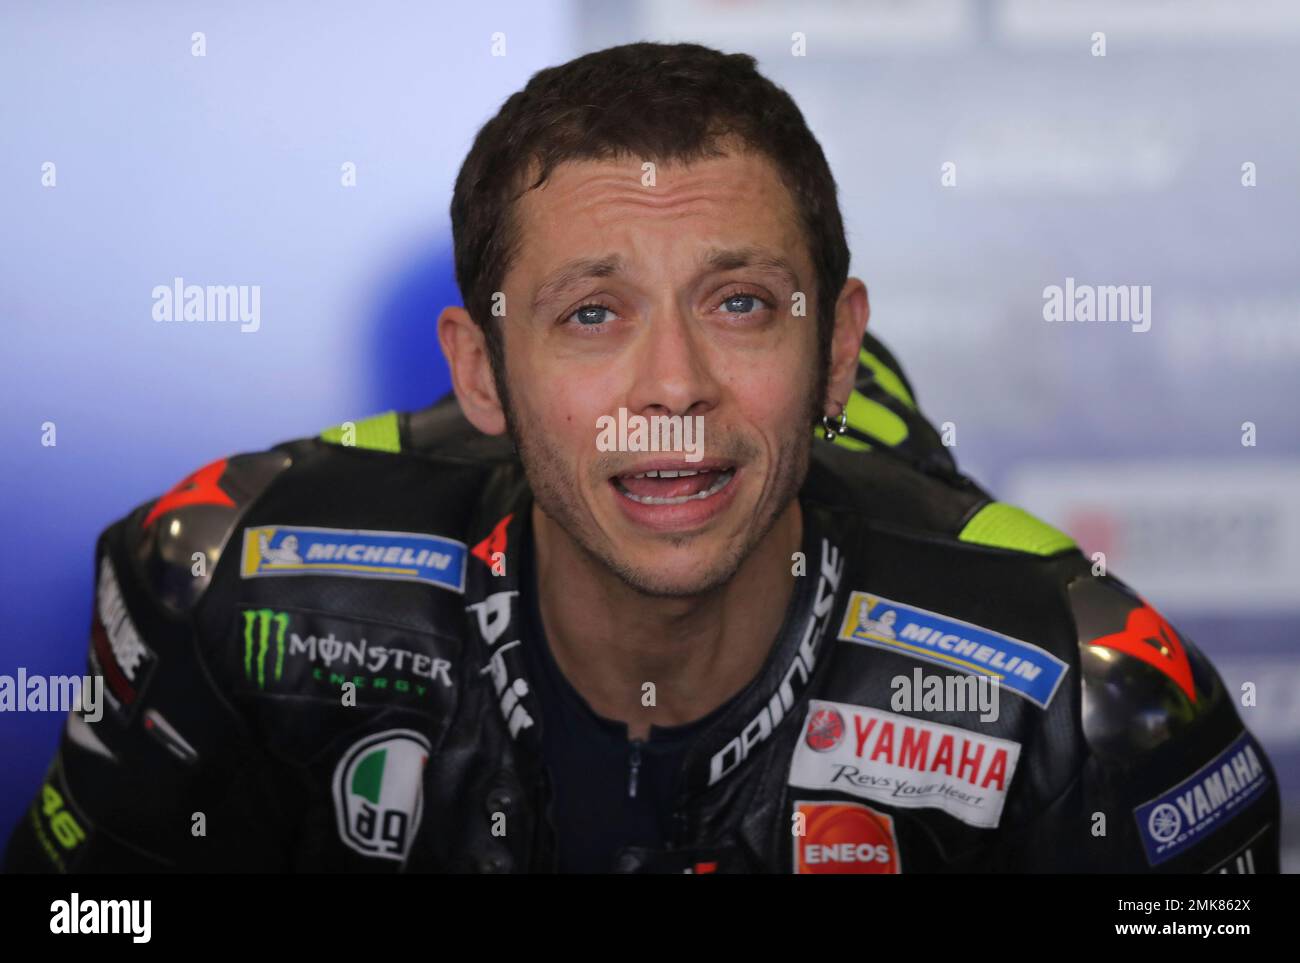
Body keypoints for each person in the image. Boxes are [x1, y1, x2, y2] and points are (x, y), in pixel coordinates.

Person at [5, 42, 1278, 874]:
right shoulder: (230, 580)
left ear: (837, 355)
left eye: (739, 305)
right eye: (592, 315)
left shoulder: (1093, 708)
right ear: (477, 372)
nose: (671, 388)